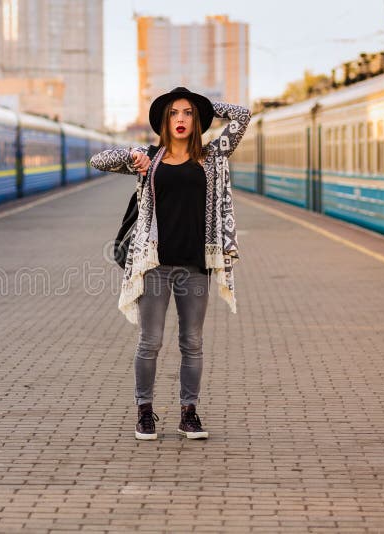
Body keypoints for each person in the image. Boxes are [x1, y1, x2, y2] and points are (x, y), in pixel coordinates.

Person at [89, 87, 250, 441]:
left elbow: (243, 115)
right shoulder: (149, 158)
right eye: (174, 113)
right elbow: (97, 161)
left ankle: (188, 413)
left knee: (192, 342)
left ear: (198, 121)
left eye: (189, 113)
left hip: (195, 265)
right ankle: (145, 412)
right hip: (154, 265)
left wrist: (205, 104)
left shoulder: (212, 157)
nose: (181, 119)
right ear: (165, 121)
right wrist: (132, 154)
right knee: (151, 342)